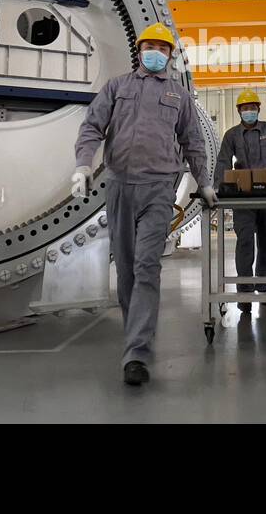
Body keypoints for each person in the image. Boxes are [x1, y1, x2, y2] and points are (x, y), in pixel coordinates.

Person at [73, 22, 216, 387]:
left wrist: (205, 182)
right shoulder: (117, 87)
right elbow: (92, 126)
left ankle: (137, 352)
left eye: (162, 48)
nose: (155, 52)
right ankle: (135, 332)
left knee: (147, 266)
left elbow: (193, 141)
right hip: (119, 186)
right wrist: (83, 165)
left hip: (158, 189)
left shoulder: (179, 96)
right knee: (126, 271)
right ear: (139, 51)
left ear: (170, 55)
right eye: (149, 46)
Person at [213, 89, 266, 315]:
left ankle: (263, 289)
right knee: (244, 241)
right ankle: (244, 292)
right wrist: (219, 188)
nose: (249, 111)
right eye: (245, 108)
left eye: (252, 107)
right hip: (243, 197)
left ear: (258, 109)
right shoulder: (232, 135)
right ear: (238, 111)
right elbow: (224, 160)